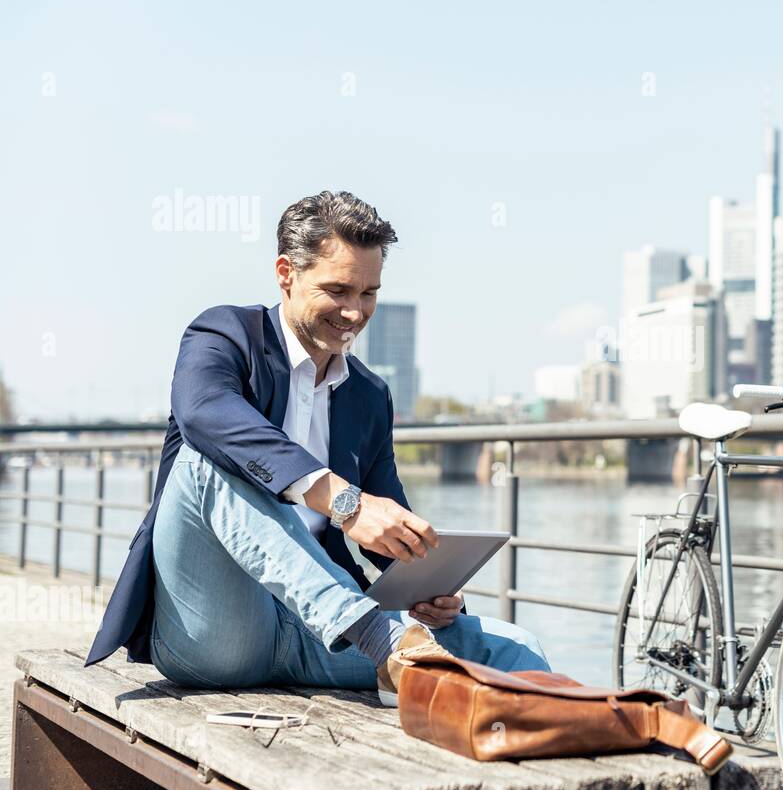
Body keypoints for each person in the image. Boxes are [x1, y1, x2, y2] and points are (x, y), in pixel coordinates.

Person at [85, 190, 550, 703]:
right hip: (217, 625)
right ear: (286, 273)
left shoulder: (370, 395)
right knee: (205, 456)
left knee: (514, 648)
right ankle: (382, 641)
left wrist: (428, 588)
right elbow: (204, 413)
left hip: (325, 634)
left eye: (369, 293)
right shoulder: (224, 334)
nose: (354, 312)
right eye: (338, 290)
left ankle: (573, 748)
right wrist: (341, 502)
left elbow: (385, 518)